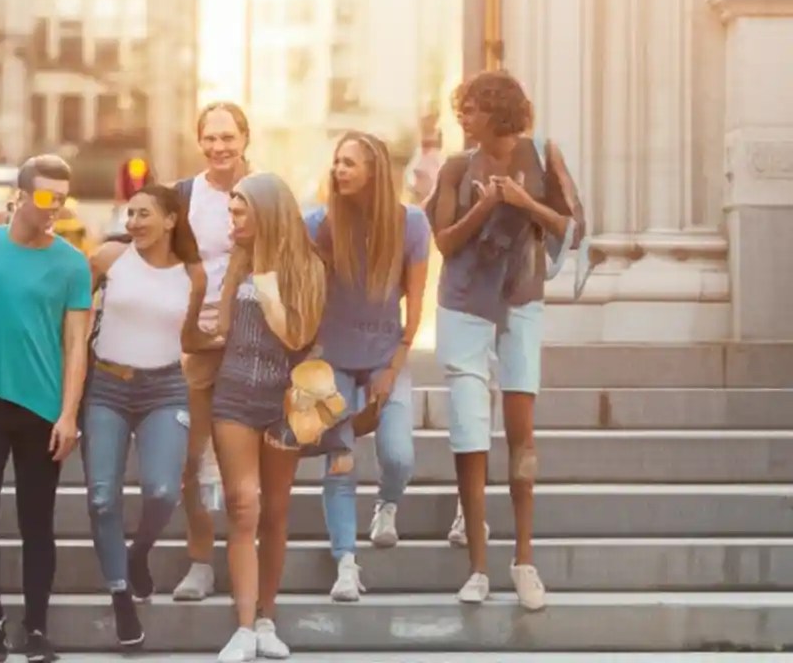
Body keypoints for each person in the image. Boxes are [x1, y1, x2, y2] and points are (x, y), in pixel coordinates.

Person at [429, 70, 575, 611]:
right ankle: (477, 567)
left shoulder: (543, 155)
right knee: (469, 427)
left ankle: (524, 558)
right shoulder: (455, 167)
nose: (463, 117)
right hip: (463, 304)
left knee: (522, 432)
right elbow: (444, 241)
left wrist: (524, 203)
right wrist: (486, 206)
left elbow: (572, 226)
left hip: (521, 302)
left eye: (471, 108)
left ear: (497, 110)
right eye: (461, 108)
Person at [0, 154, 91, 663]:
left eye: (63, 198)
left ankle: (36, 629)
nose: (56, 207)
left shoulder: (72, 262)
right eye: (47, 196)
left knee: (37, 520)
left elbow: (77, 345)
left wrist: (69, 414)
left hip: (42, 409)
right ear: (22, 195)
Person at [303, 131, 430, 601]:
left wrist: (394, 365)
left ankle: (387, 505)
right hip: (331, 360)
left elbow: (415, 305)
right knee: (339, 463)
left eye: (350, 163)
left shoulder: (411, 224)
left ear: (374, 170)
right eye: (337, 161)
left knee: (399, 455)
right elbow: (302, 293)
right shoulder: (317, 223)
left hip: (384, 357)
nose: (340, 170)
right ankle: (346, 564)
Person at [211, 173, 326, 663]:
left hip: (289, 400)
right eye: (231, 211)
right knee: (243, 505)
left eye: (240, 212)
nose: (232, 221)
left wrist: (268, 285)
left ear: (267, 213)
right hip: (234, 394)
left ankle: (266, 619)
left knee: (276, 511)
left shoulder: (308, 267)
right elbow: (220, 328)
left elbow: (298, 337)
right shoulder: (236, 263)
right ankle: (241, 627)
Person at [84, 184, 205, 649]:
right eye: (129, 213)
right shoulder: (108, 259)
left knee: (161, 490)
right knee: (100, 498)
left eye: (144, 213)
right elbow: (72, 316)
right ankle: (120, 597)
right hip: (107, 387)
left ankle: (138, 554)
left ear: (172, 219)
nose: (133, 221)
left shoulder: (193, 274)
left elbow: (190, 337)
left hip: (165, 388)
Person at [172, 101, 252, 602]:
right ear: (200, 142)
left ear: (246, 138)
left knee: (249, 463)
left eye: (228, 136)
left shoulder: (266, 193)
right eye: (211, 138)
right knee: (191, 457)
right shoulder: (184, 197)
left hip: (254, 344)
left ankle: (251, 559)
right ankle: (200, 561)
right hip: (197, 345)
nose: (220, 147)